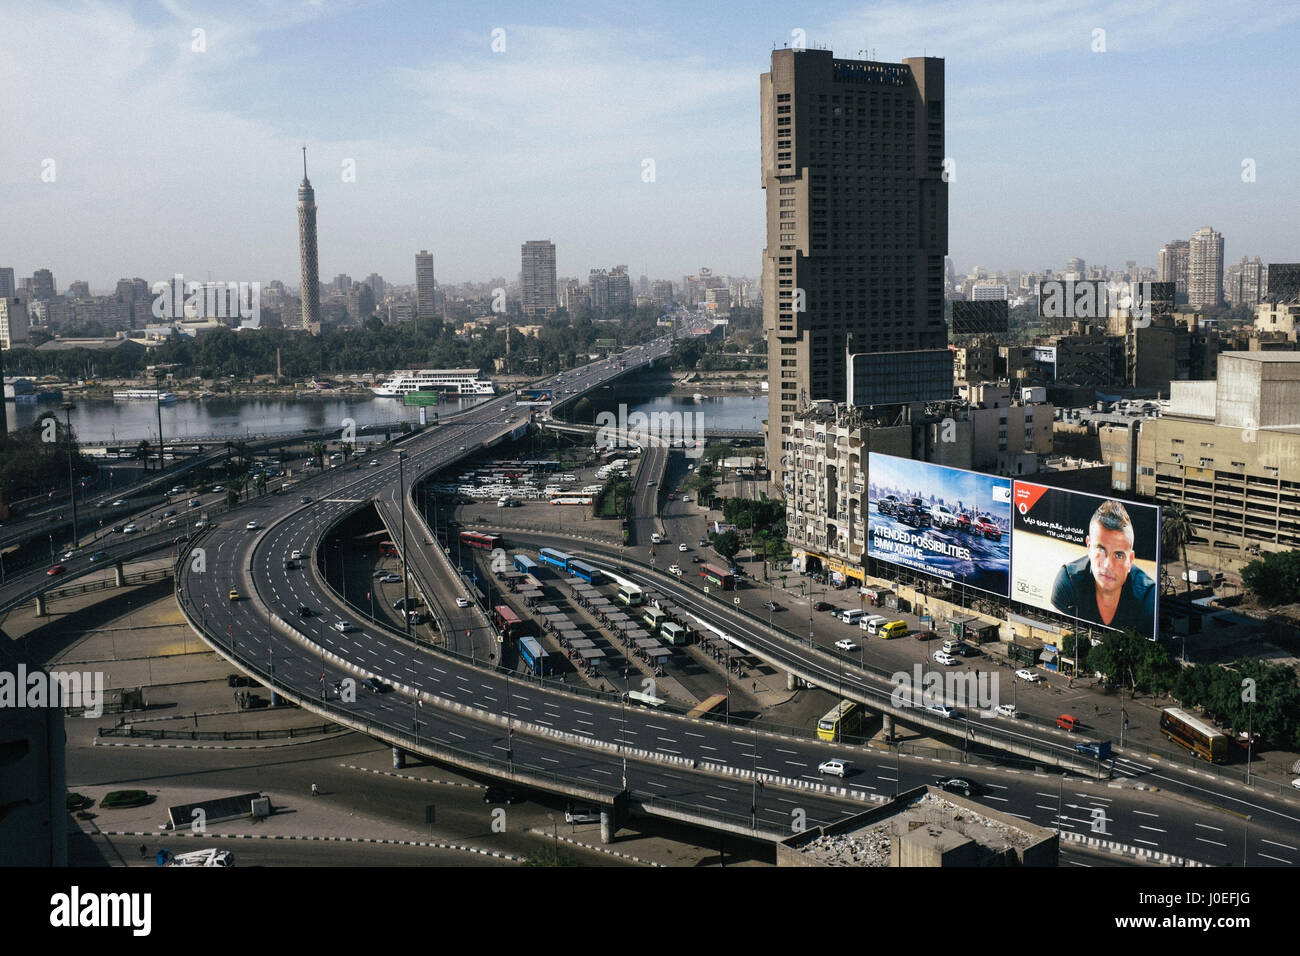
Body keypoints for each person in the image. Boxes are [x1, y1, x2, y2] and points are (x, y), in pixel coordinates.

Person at [1050, 500, 1156, 638]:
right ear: (1088, 546)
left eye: (1118, 555)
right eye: (1101, 549)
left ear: (1130, 560)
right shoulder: (1068, 581)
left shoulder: (1148, 597)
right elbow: (1056, 633)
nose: (1107, 565)